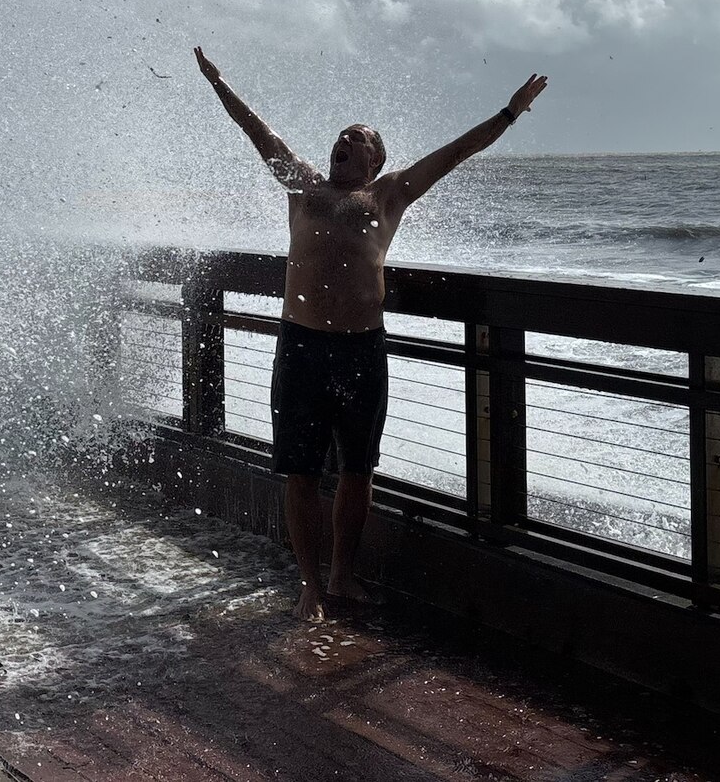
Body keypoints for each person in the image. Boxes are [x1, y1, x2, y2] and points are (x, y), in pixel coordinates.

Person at [193, 46, 548, 620]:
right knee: (301, 471)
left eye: (357, 139)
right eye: (341, 136)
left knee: (357, 470)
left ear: (376, 160)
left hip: (360, 349)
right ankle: (309, 583)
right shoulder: (303, 188)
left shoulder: (389, 195)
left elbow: (454, 153)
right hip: (302, 345)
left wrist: (509, 113)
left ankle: (343, 575)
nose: (344, 142)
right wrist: (218, 81)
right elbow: (255, 131)